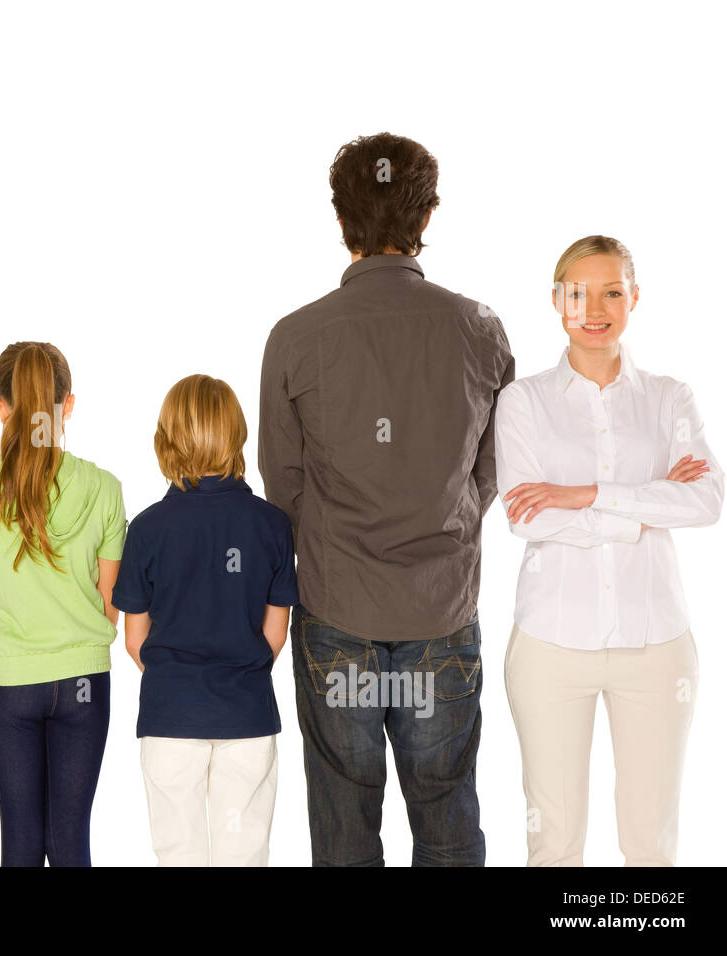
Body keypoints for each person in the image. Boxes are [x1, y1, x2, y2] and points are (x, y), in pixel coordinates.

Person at [258, 132, 514, 866]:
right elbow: (493, 462)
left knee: (343, 816)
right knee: (447, 808)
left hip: (338, 610)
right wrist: (448, 520)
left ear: (341, 221)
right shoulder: (479, 328)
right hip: (441, 606)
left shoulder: (297, 337)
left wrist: (342, 542)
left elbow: (284, 485)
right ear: (426, 218)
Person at [496, 236, 723, 866]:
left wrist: (587, 494)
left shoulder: (670, 397)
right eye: (578, 292)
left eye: (612, 291)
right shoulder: (523, 401)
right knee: (555, 842)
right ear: (555, 300)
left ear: (635, 298)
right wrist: (643, 506)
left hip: (657, 647)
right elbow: (527, 516)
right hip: (551, 647)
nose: (594, 307)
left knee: (651, 843)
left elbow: (705, 501)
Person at [0, 341, 126, 866]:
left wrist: (16, 651)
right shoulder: (104, 488)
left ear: (1, 406)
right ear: (68, 405)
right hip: (85, 683)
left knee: (19, 842)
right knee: (71, 841)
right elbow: (108, 603)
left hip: (9, 684)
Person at [112, 374, 298, 866]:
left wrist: (180, 681)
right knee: (246, 852)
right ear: (237, 435)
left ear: (165, 441)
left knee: (178, 854)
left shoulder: (147, 529)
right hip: (248, 713)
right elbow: (275, 634)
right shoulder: (272, 524)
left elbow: (134, 641)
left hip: (170, 715)